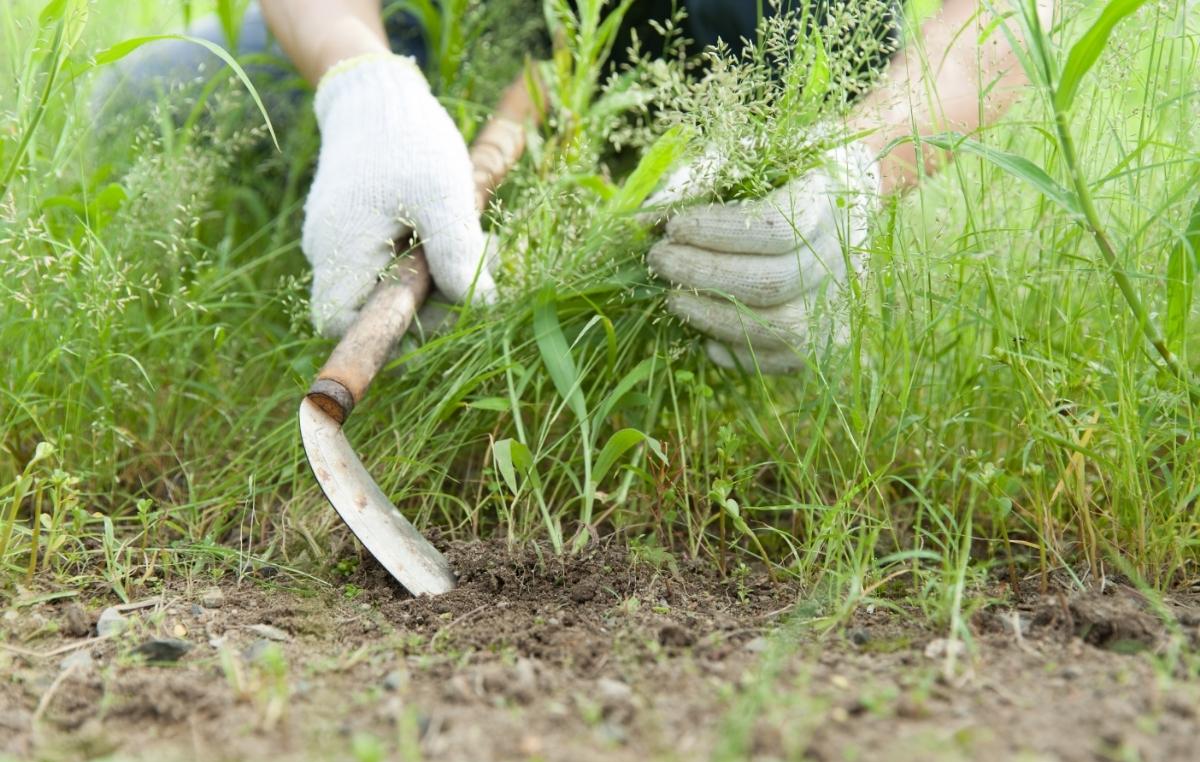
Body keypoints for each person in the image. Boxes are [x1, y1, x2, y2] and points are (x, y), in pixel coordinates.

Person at [103, 0, 1053, 369]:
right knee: (152, 91)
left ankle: (727, 247)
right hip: (468, 33)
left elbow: (1010, 18)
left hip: (749, 59)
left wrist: (857, 164)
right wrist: (360, 82)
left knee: (733, 289)